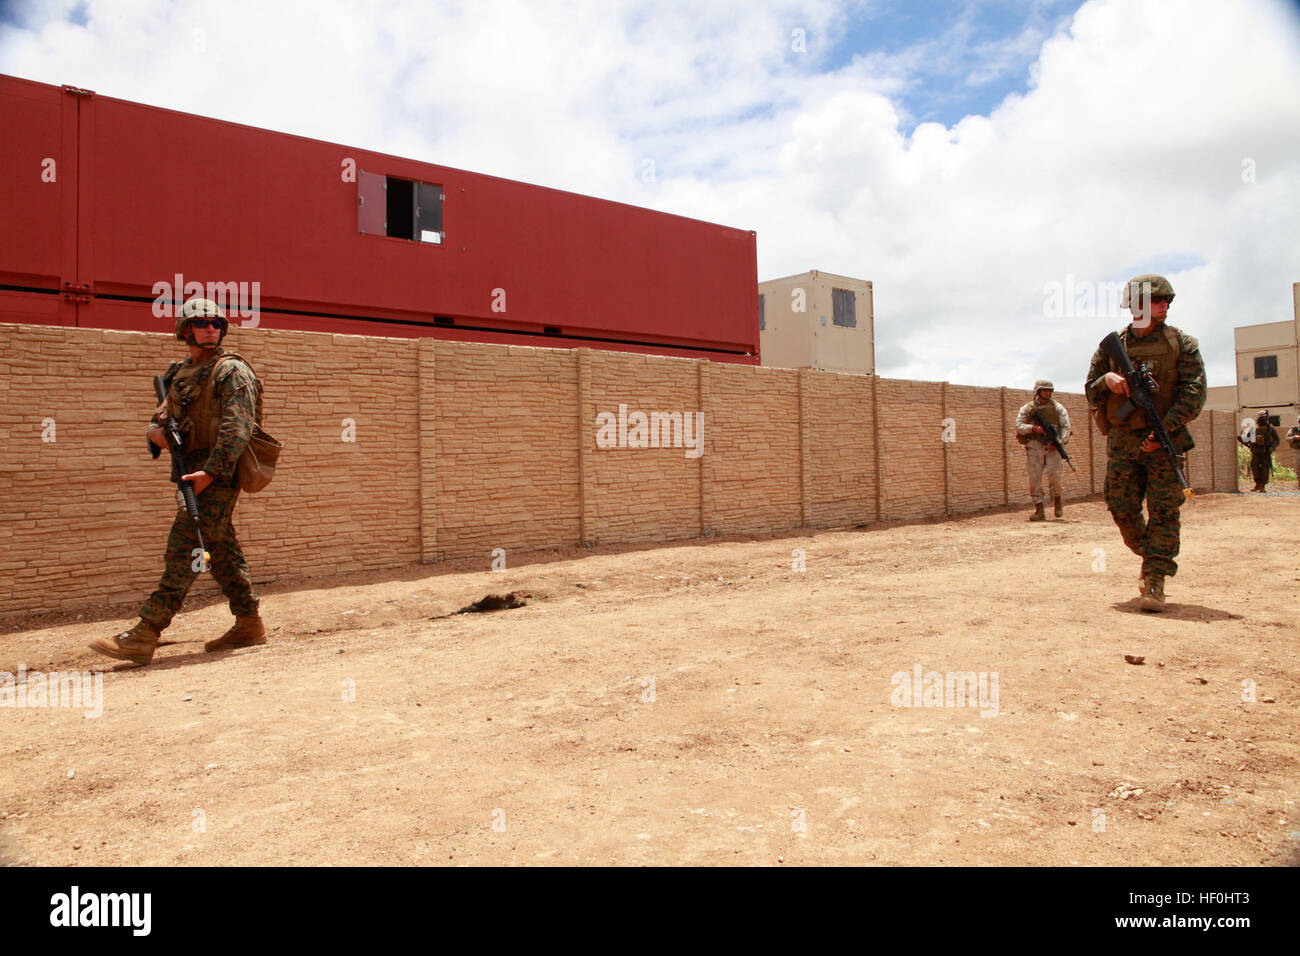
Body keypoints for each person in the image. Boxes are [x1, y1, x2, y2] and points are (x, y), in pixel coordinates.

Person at [90, 298, 267, 665]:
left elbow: (238, 428)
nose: (211, 329)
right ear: (185, 330)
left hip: (217, 471)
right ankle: (249, 621)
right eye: (202, 323)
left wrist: (211, 473)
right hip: (192, 468)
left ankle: (146, 632)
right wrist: (155, 433)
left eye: (216, 323)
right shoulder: (180, 373)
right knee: (218, 546)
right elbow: (161, 417)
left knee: (184, 546)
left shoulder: (231, 371)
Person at [1085, 274, 1206, 612]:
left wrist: (1162, 431)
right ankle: (1153, 551)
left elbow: (1194, 394)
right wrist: (1107, 380)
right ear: (1136, 304)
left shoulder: (1182, 343)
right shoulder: (1112, 346)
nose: (1164, 305)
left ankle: (1154, 578)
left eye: (1167, 300)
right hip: (1124, 444)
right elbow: (1090, 389)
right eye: (1157, 299)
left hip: (1164, 441)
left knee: (1165, 511)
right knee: (1120, 506)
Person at [1015, 378, 1071, 521]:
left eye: (1049, 390)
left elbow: (1066, 427)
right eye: (1044, 390)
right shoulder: (1027, 409)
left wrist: (1058, 442)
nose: (1047, 393)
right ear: (1038, 391)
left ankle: (1057, 500)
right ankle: (1039, 509)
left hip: (1053, 446)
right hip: (1035, 446)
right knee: (1035, 479)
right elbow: (1019, 426)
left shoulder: (1058, 408)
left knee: (1055, 476)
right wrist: (1033, 428)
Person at [1239, 410, 1279, 492]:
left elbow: (1277, 440)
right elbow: (1246, 438)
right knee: (1255, 468)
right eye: (1262, 417)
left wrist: (1272, 447)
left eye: (1265, 417)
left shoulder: (1270, 428)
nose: (1264, 419)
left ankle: (1262, 486)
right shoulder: (1253, 428)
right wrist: (1247, 443)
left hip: (1266, 451)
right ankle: (1257, 484)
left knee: (1265, 468)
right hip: (1255, 451)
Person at [1286, 415, 1300, 490]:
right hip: (1297, 451)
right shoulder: (1294, 430)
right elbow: (1287, 439)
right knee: (1298, 467)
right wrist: (1294, 437)